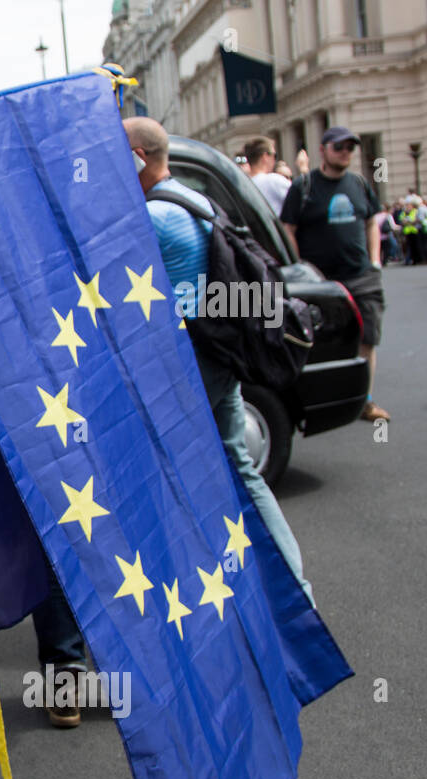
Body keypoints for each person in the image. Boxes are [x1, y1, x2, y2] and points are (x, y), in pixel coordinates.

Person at [125, 117, 314, 605]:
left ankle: (188, 597)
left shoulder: (152, 219)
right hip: (217, 355)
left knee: (164, 478)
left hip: (183, 369)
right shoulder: (195, 200)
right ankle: (293, 586)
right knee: (240, 468)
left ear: (138, 157)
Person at [279, 127, 389, 422]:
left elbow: (370, 222)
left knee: (367, 338)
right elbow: (288, 229)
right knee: (318, 339)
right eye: (339, 146)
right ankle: (322, 400)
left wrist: (375, 260)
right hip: (321, 282)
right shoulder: (303, 187)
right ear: (323, 150)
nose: (345, 152)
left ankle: (364, 401)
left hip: (361, 275)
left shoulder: (360, 184)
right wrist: (299, 265)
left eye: (350, 148)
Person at [244, 135, 289, 216]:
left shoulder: (243, 186)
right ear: (265, 157)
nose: (274, 160)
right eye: (274, 155)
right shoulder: (274, 181)